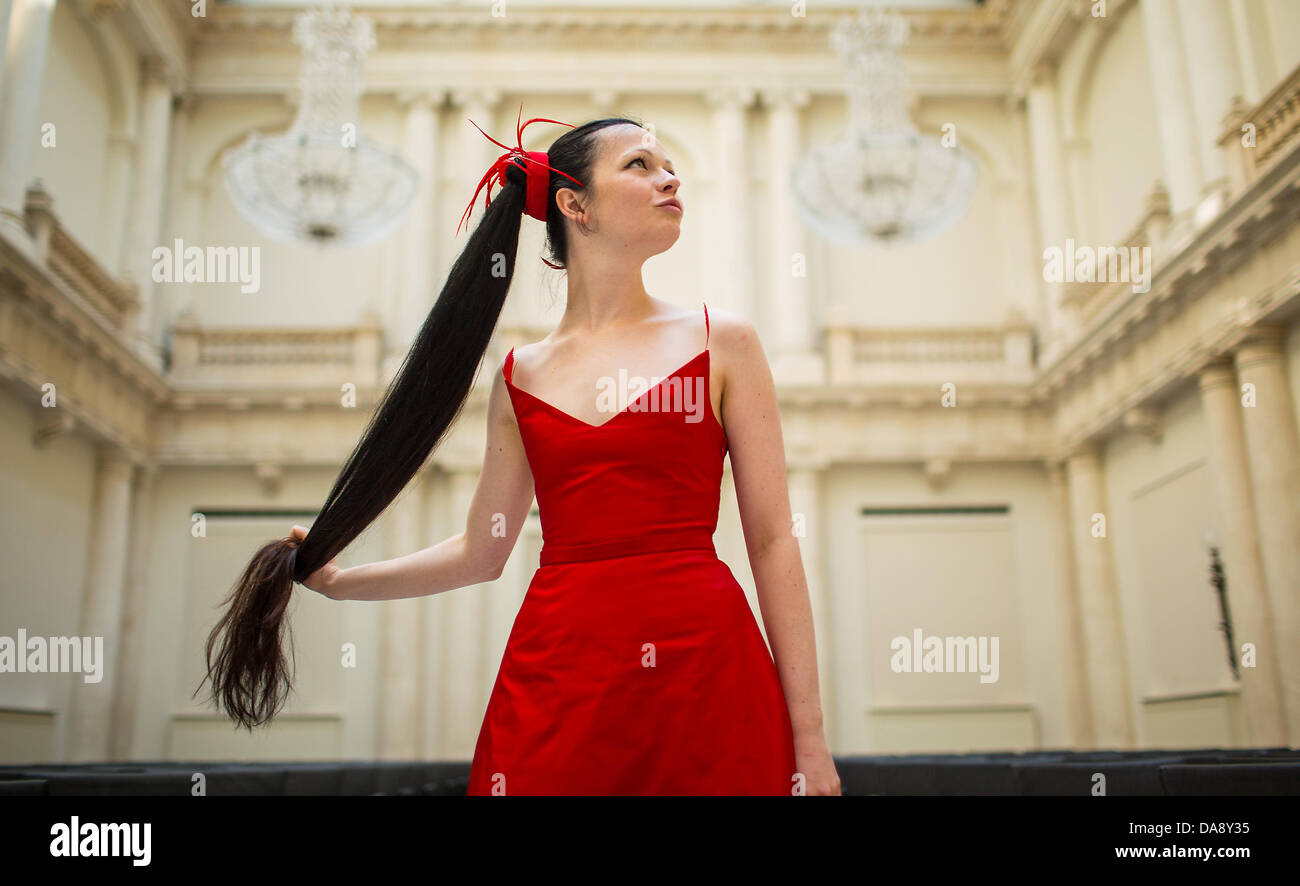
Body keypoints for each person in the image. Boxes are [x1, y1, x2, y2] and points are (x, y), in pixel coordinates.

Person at [200, 108, 840, 796]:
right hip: (561, 674)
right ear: (574, 205)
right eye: (640, 165)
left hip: (707, 668)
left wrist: (809, 739)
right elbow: (483, 550)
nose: (669, 178)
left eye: (669, 165)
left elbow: (774, 541)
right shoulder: (519, 376)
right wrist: (339, 578)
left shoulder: (725, 342)